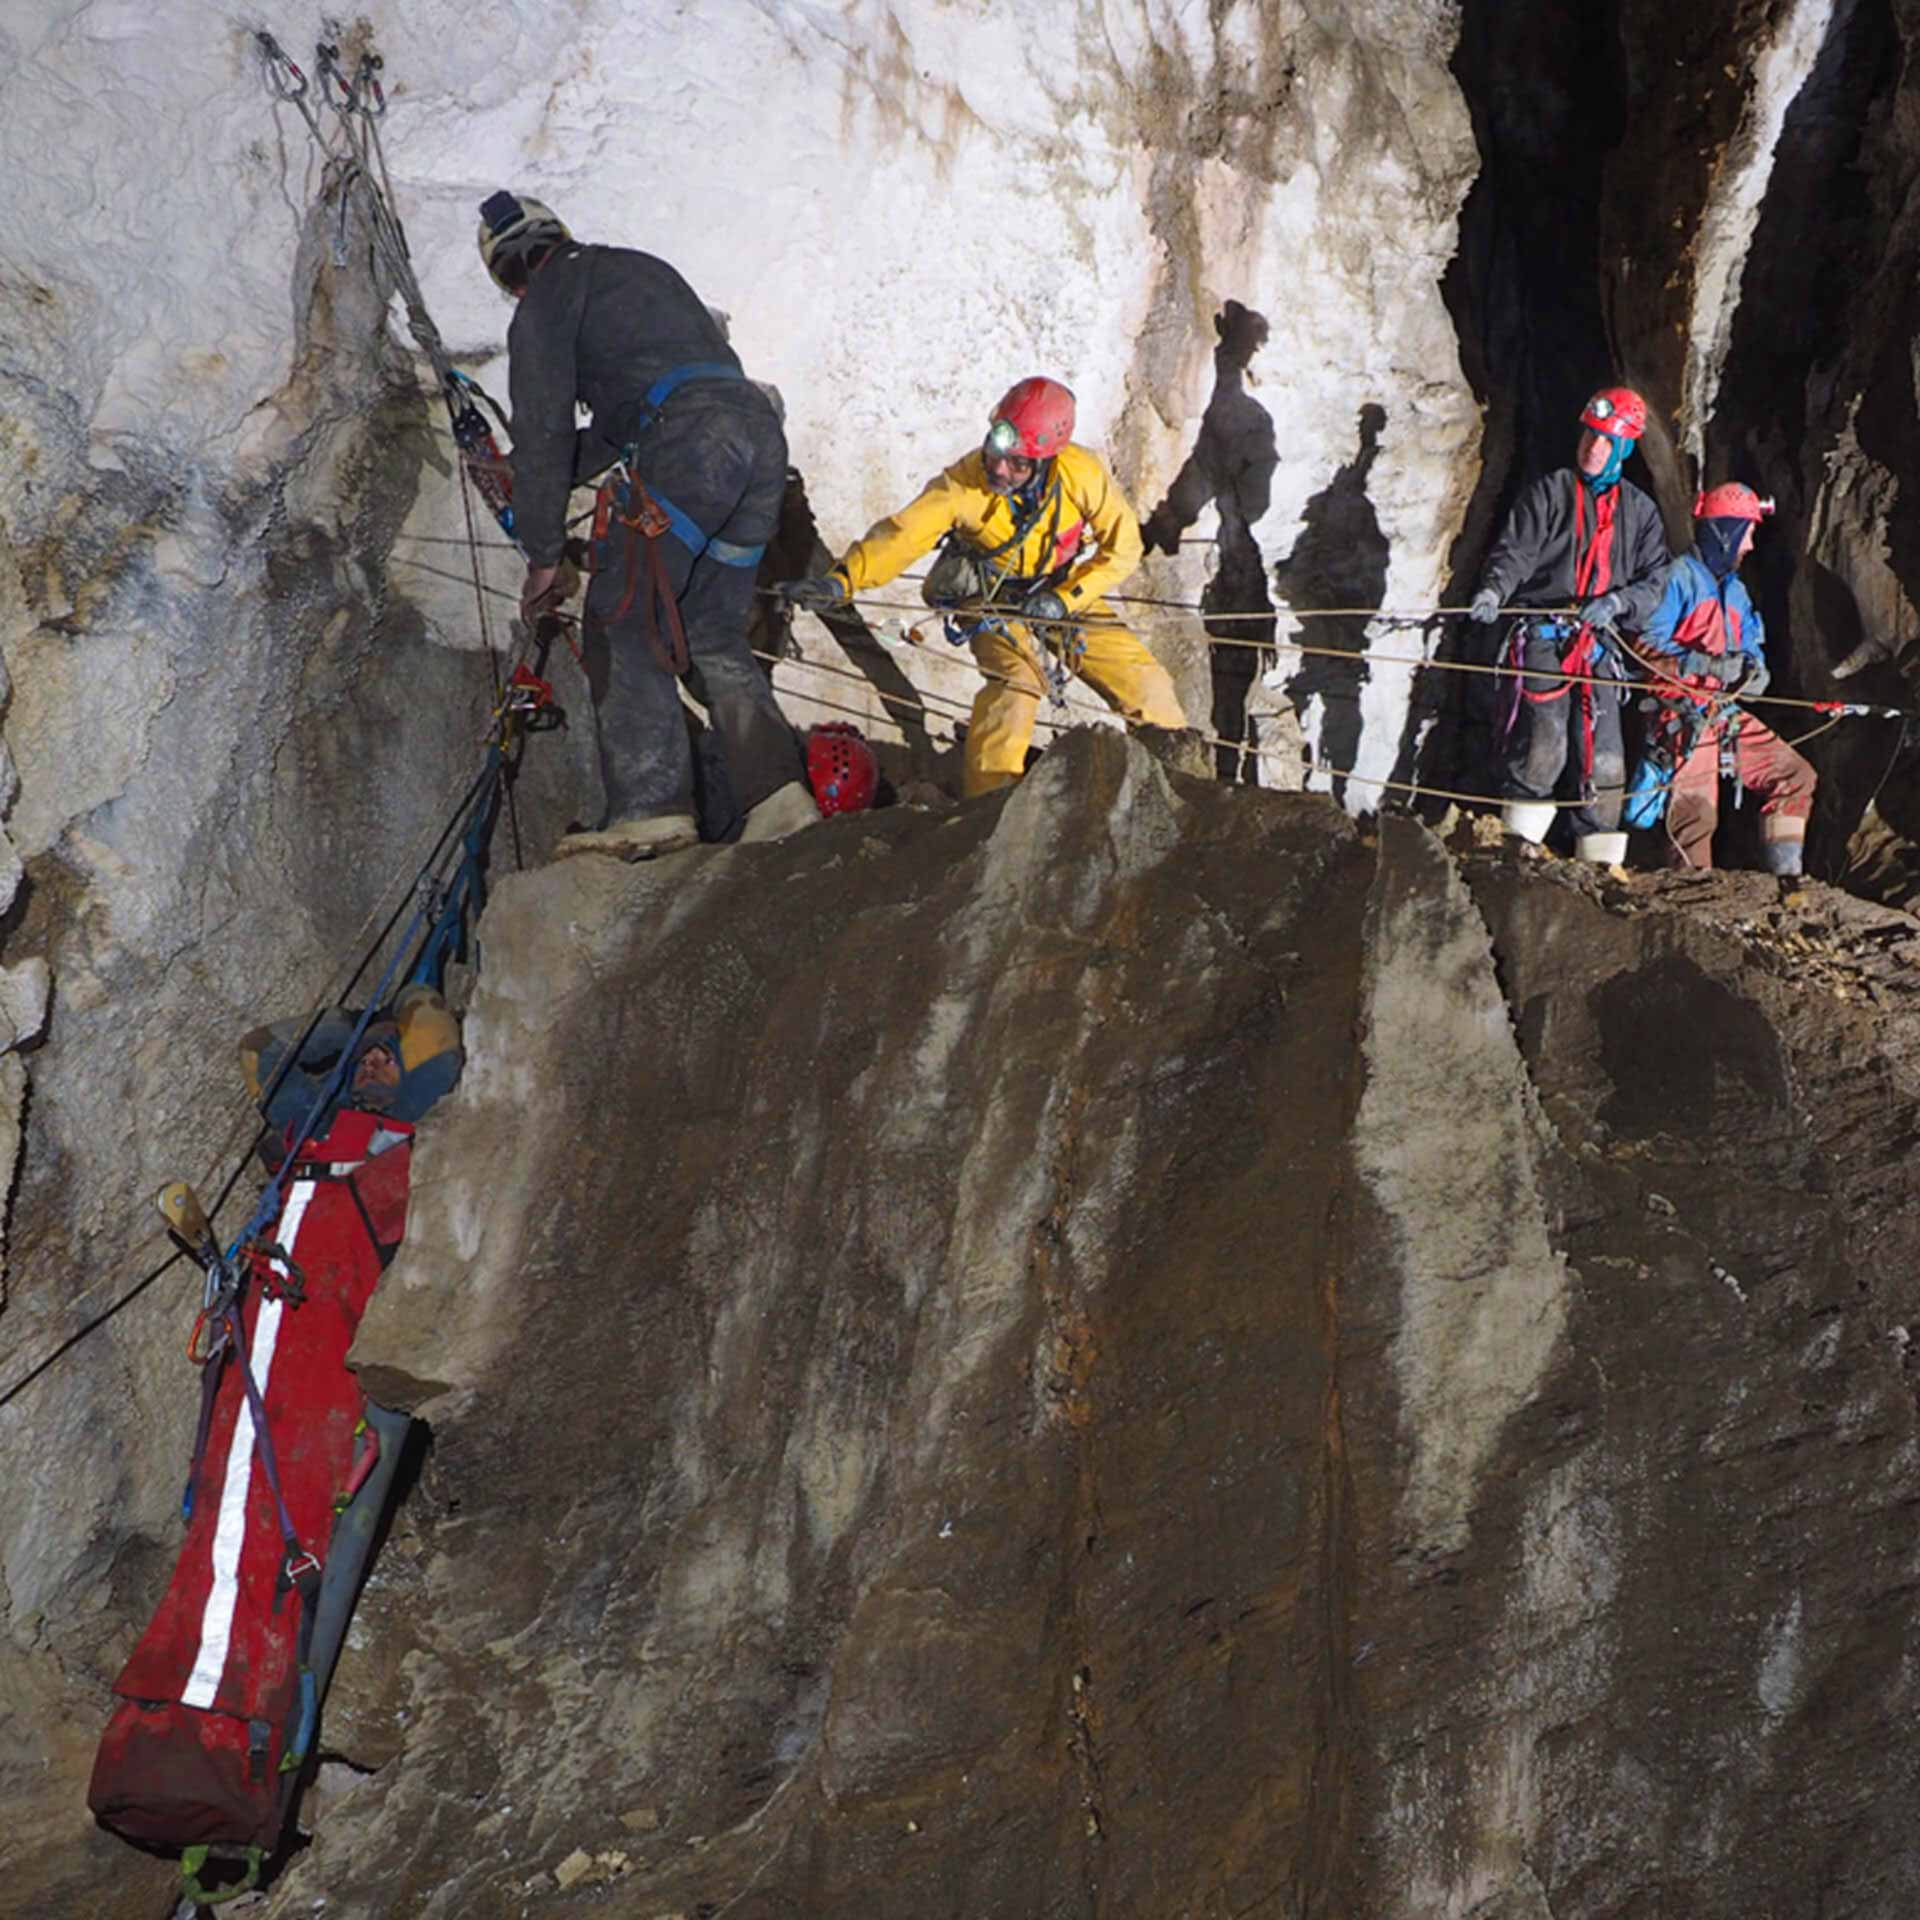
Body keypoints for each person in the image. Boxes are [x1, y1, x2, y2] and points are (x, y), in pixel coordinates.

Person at [476, 190, 815, 858]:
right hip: (754, 444)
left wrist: (545, 555)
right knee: (706, 629)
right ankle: (779, 798)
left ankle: (651, 807)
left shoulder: (546, 303)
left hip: (690, 444)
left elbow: (545, 430)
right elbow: (618, 423)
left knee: (619, 615)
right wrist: (535, 469)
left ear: (510, 277)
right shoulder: (638, 270)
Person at [778, 377, 1188, 797]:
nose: (998, 469)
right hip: (987, 595)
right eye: (996, 453)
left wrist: (1064, 600)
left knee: (1147, 686)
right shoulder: (963, 485)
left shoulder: (1080, 473)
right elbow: (902, 536)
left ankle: (1181, 791)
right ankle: (987, 806)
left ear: (1047, 460)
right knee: (1018, 682)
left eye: (1017, 463)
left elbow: (1123, 548)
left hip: (1062, 589)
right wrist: (842, 580)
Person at [1469, 386, 1672, 864]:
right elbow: (1515, 552)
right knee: (1546, 742)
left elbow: (1655, 579)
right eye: (1589, 435)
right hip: (1543, 630)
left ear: (1624, 448)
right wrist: (1494, 591)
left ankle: (1599, 870)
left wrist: (1619, 602)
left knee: (1605, 762)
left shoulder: (1640, 512)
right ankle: (1516, 855)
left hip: (1598, 642)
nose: (1593, 447)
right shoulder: (1551, 493)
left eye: (1605, 441)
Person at [1632, 483, 1815, 874]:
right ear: (1726, 532)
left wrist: (1754, 673)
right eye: (1746, 533)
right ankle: (1689, 899)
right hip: (1681, 713)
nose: (1749, 545)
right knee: (1696, 815)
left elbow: (1752, 650)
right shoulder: (1676, 579)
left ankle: (1788, 882)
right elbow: (1641, 650)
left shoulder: (1737, 593)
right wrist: (1703, 665)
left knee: (1794, 776)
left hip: (1722, 713)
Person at [239, 984, 464, 1159]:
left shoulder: (420, 1092)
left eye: (387, 1060)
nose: (370, 1065)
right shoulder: (321, 1119)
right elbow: (258, 1050)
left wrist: (381, 1017)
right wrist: (347, 1026)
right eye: (363, 1060)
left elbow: (430, 1023)